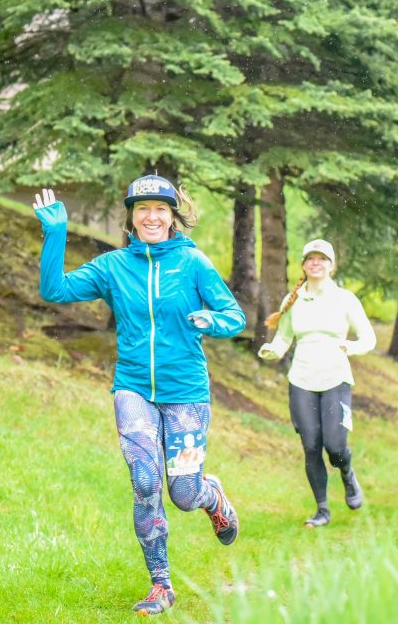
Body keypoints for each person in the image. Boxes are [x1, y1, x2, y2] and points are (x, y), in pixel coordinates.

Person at [33, 176, 246, 616]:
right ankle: (160, 585)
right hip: (132, 390)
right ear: (131, 217)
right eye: (142, 209)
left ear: (172, 217)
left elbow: (235, 315)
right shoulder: (113, 266)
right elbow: (55, 290)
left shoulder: (193, 263)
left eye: (160, 209)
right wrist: (55, 233)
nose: (151, 217)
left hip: (186, 394)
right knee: (146, 483)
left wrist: (212, 320)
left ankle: (212, 496)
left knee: (184, 493)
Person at [258, 240, 377, 527]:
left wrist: (352, 347)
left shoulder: (345, 299)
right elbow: (283, 337)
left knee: (335, 446)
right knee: (311, 446)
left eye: (322, 258)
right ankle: (322, 510)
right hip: (301, 379)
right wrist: (272, 350)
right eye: (310, 258)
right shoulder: (293, 299)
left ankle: (347, 473)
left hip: (336, 378)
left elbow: (368, 338)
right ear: (303, 265)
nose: (316, 263)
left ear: (331, 265)